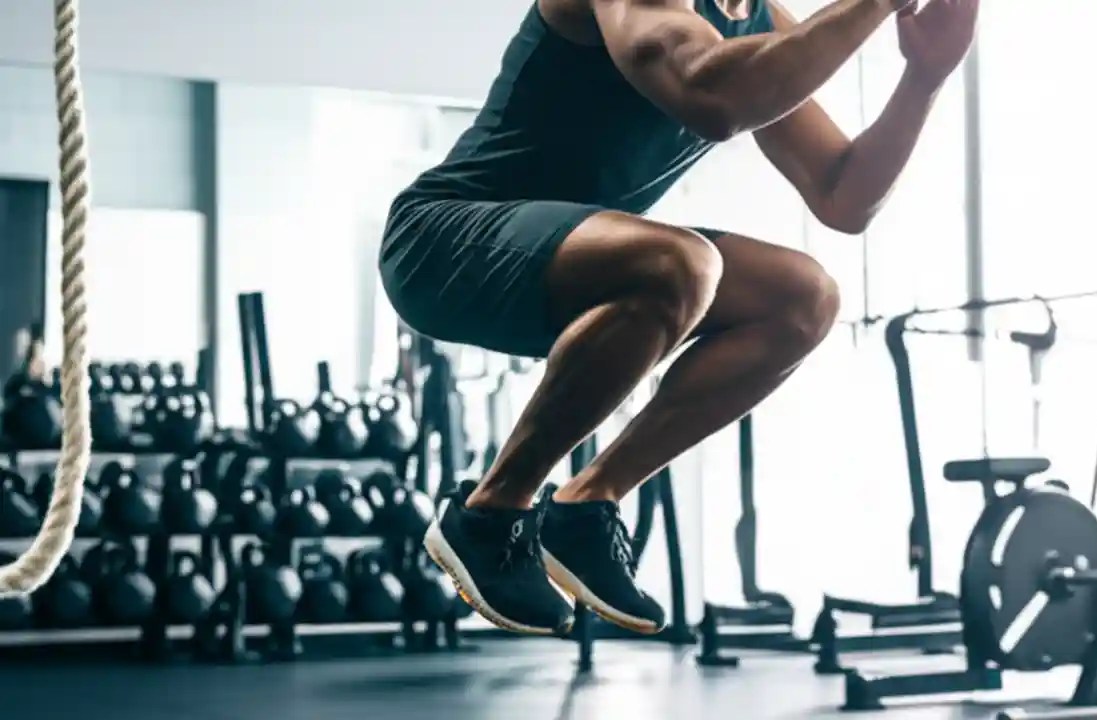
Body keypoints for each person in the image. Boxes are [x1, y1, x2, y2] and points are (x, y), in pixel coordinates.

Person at [381, 0, 979, 636]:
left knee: (802, 298)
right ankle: (491, 512)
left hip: (573, 264)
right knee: (681, 262)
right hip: (442, 241)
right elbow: (711, 93)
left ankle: (587, 505)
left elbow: (845, 195)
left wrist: (926, 75)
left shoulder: (758, 18)